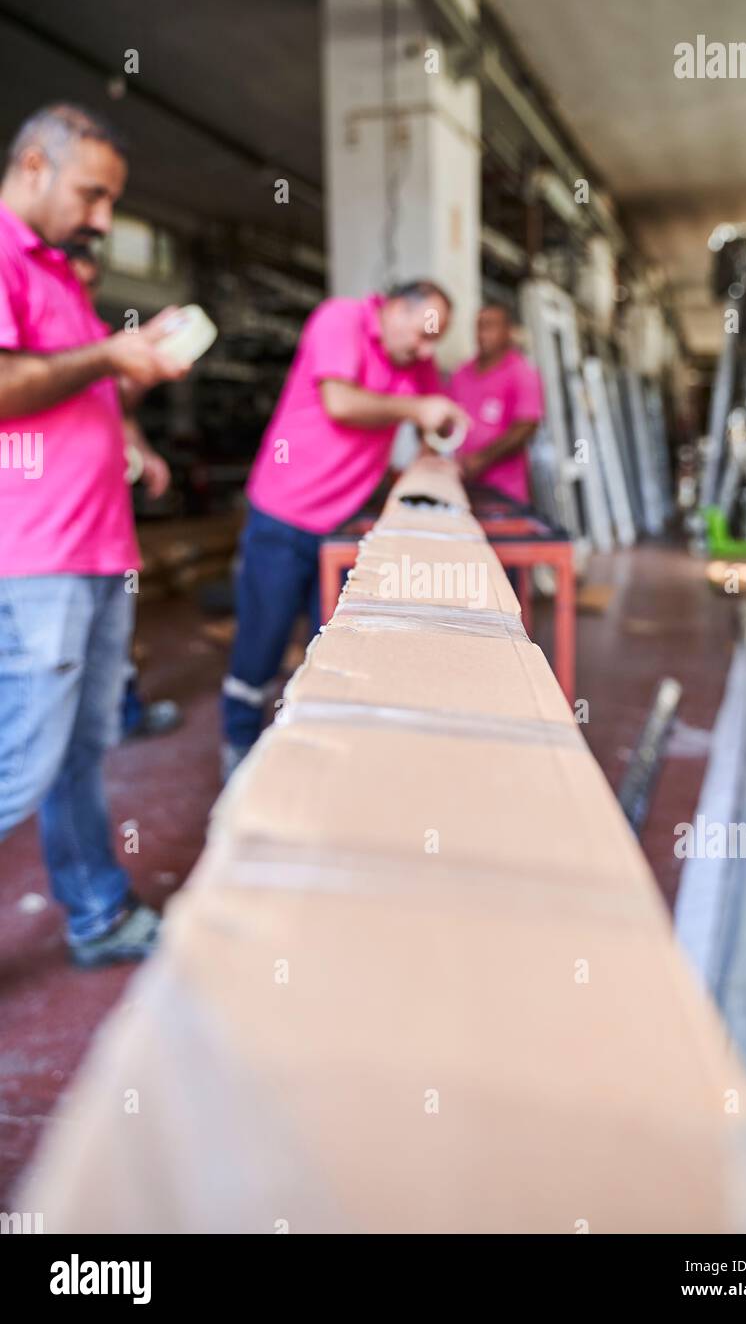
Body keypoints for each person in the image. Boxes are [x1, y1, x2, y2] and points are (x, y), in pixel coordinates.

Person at [0, 103, 190, 968]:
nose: (103, 218)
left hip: (98, 547)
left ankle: (97, 911)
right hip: (35, 556)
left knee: (81, 753)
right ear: (35, 167)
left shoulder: (61, 273)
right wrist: (111, 356)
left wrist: (131, 388)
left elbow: (72, 391)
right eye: (93, 194)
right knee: (20, 765)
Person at [221, 280, 465, 777]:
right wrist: (416, 408)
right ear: (395, 309)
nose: (426, 351)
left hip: (344, 526)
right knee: (261, 644)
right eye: (422, 335)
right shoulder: (341, 319)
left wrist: (434, 448)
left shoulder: (416, 359)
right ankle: (239, 751)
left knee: (332, 646)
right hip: (283, 514)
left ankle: (319, 757)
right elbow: (340, 402)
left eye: (434, 340)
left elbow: (428, 424)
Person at [66, 243, 184, 742]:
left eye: (91, 284)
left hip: (106, 526)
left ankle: (124, 713)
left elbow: (115, 406)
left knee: (111, 637)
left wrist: (143, 450)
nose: (84, 293)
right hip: (51, 533)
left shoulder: (94, 335)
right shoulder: (35, 344)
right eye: (75, 282)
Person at [449, 302, 543, 503]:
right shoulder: (461, 373)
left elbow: (527, 426)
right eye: (479, 327)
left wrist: (481, 458)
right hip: (463, 486)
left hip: (505, 492)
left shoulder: (522, 373)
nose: (483, 334)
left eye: (490, 326)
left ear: (508, 331)